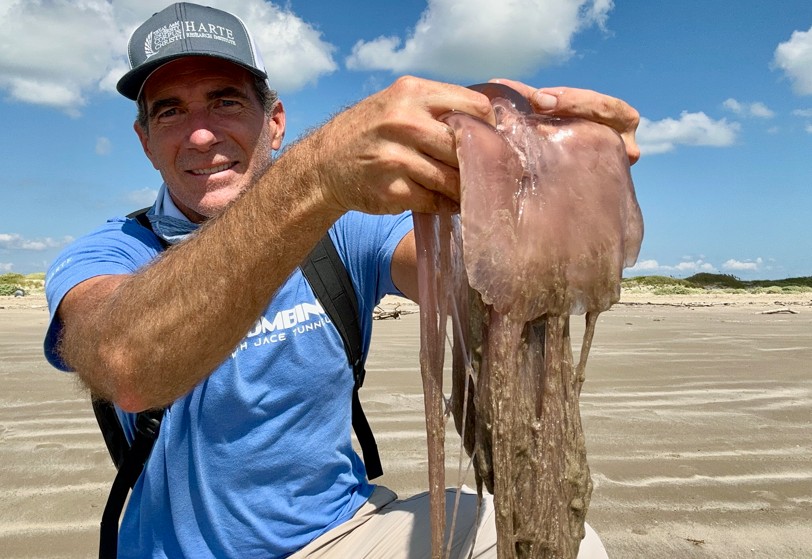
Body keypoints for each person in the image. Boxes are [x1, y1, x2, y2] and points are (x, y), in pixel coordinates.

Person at [43, 3, 640, 558]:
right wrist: (317, 176)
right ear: (145, 141)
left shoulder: (342, 234)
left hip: (340, 535)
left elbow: (477, 279)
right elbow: (126, 366)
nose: (201, 134)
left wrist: (543, 179)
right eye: (170, 111)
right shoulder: (108, 253)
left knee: (565, 545)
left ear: (274, 123)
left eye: (225, 102)